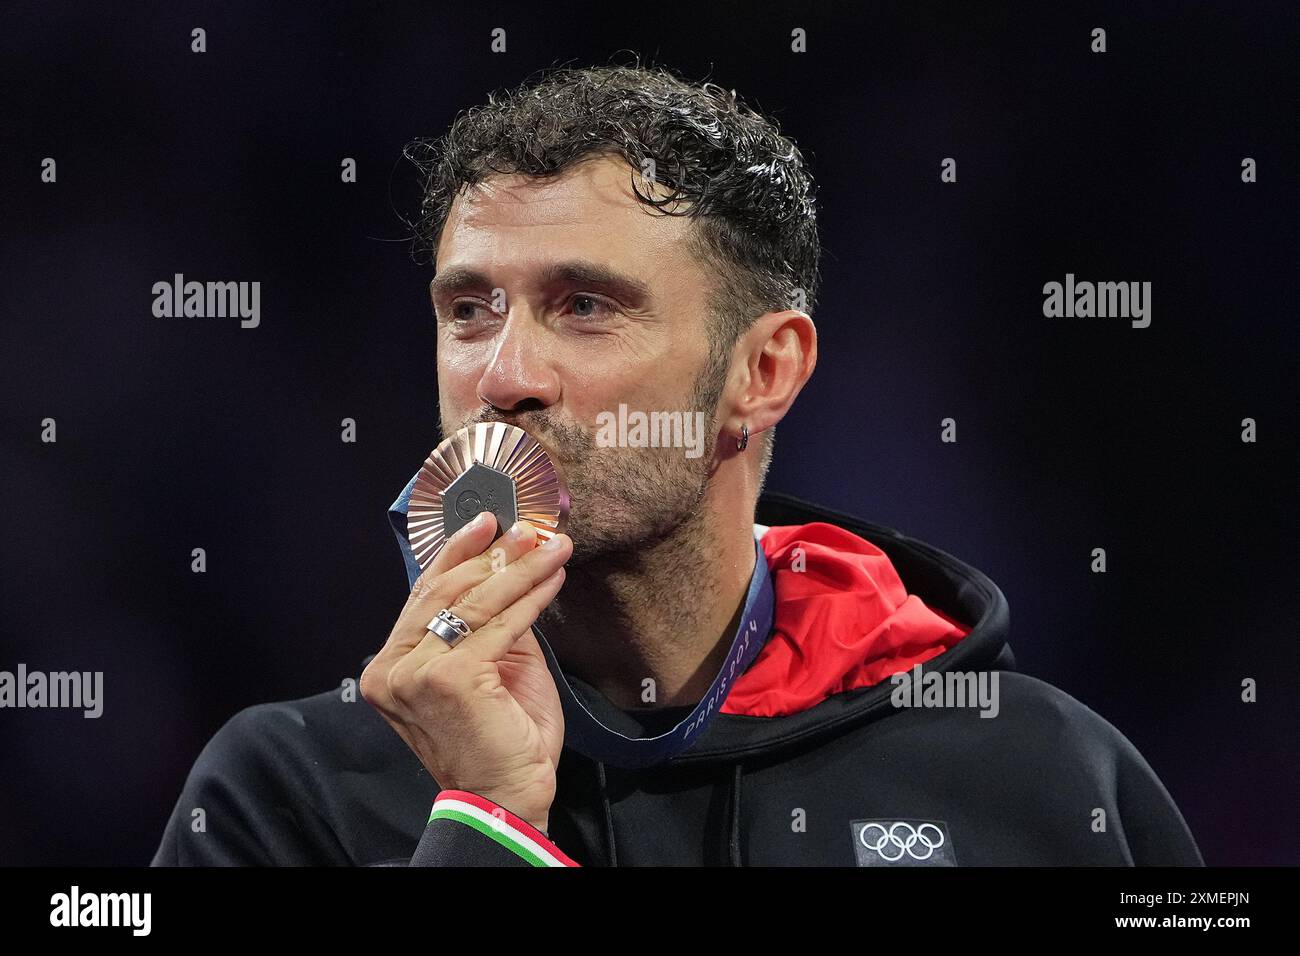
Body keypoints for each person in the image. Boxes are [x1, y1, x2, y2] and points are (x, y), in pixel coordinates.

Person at [152, 62, 1202, 867]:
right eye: (469, 309)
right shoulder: (286, 791)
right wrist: (481, 824)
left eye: (584, 306)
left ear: (763, 370)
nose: (505, 372)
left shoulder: (1044, 778)